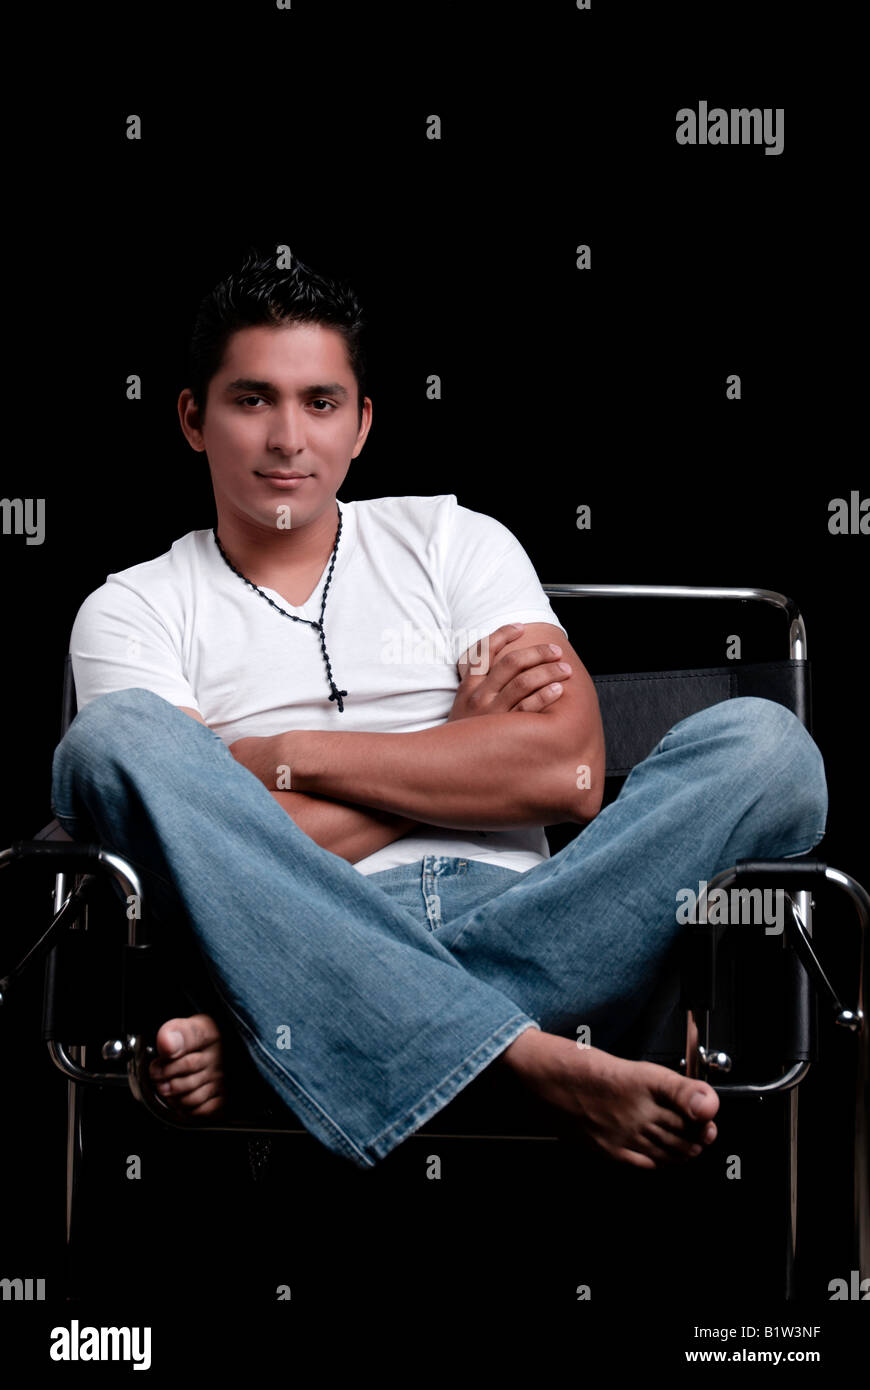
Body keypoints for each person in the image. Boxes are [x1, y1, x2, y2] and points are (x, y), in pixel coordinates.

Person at [50, 249, 829, 1172]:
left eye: (321, 402)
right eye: (252, 399)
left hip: (535, 916)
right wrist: (459, 749)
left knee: (767, 748)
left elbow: (568, 777)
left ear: (362, 424)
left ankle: (292, 1046)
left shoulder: (453, 541)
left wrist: (268, 760)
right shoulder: (133, 608)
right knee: (113, 741)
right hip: (284, 934)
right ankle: (535, 1056)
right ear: (193, 417)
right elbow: (190, 860)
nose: (288, 438)